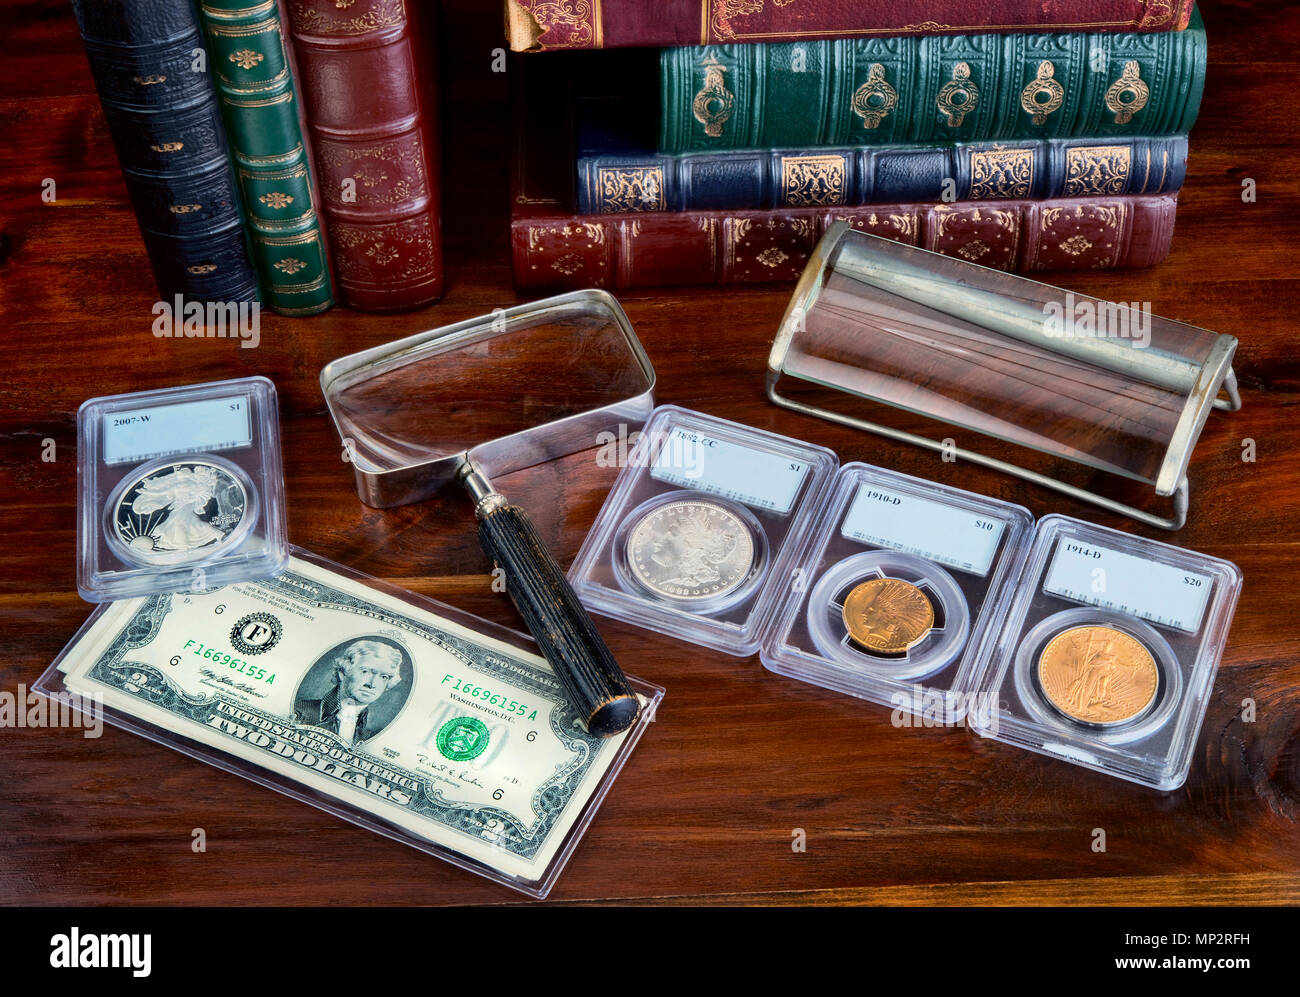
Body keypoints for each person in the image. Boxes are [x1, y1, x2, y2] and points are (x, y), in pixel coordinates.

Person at [294, 639, 404, 746]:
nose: (372, 684)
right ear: (343, 672)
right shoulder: (299, 711)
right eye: (365, 671)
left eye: (384, 677)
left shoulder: (376, 736)